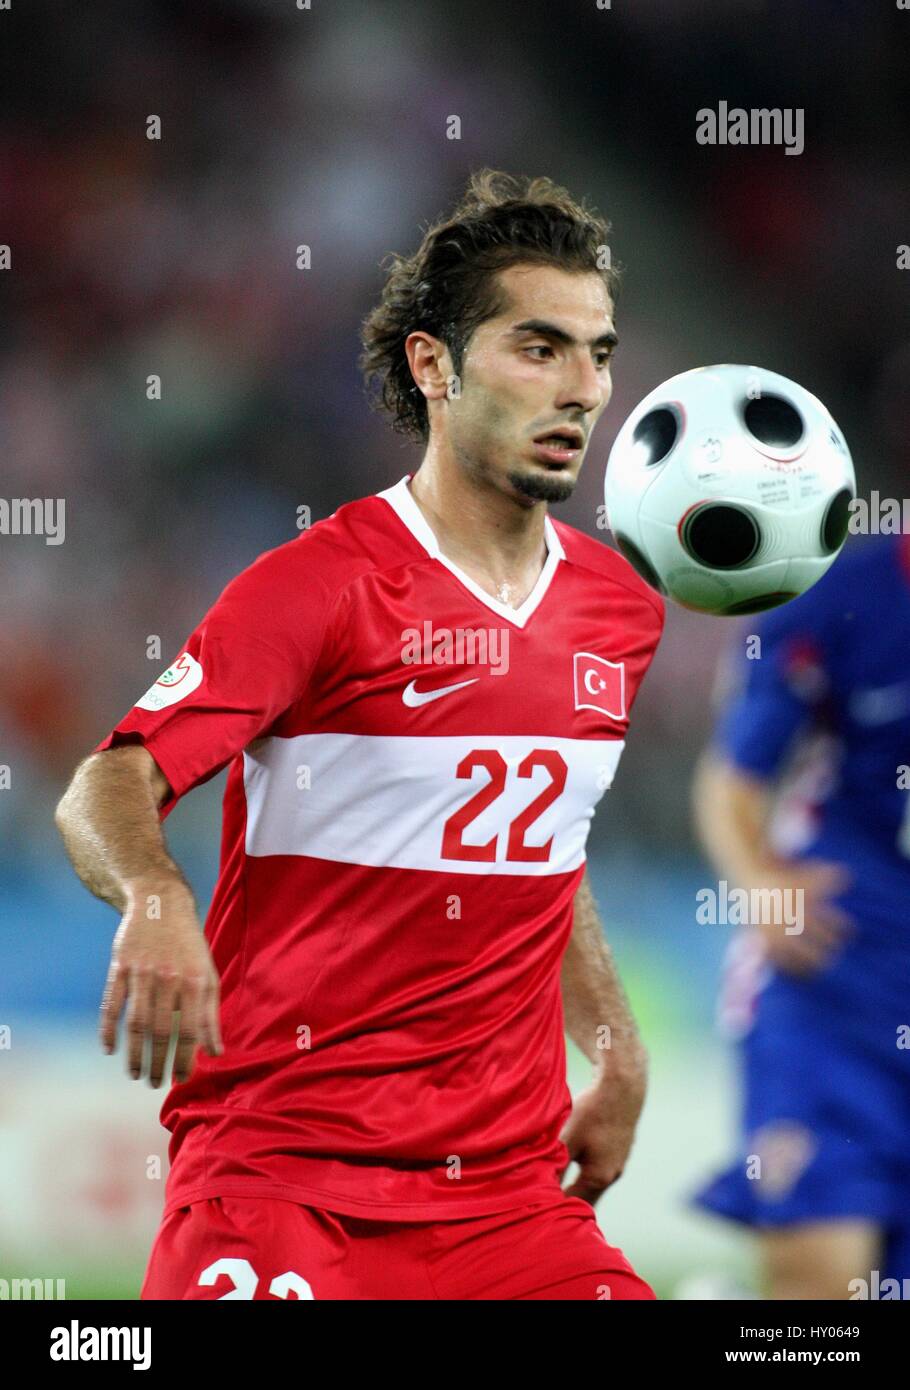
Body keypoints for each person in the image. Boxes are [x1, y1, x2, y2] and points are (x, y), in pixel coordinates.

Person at [55, 169, 664, 1301]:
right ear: (433, 365)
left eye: (598, 351)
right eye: (539, 349)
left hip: (506, 1202)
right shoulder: (319, 588)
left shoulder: (618, 611)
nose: (584, 388)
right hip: (287, 1177)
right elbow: (109, 780)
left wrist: (615, 1043)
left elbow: (541, 845)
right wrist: (155, 897)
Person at [692, 530, 910, 1300]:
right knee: (822, 1285)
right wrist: (758, 884)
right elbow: (733, 782)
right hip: (834, 977)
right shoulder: (845, 597)